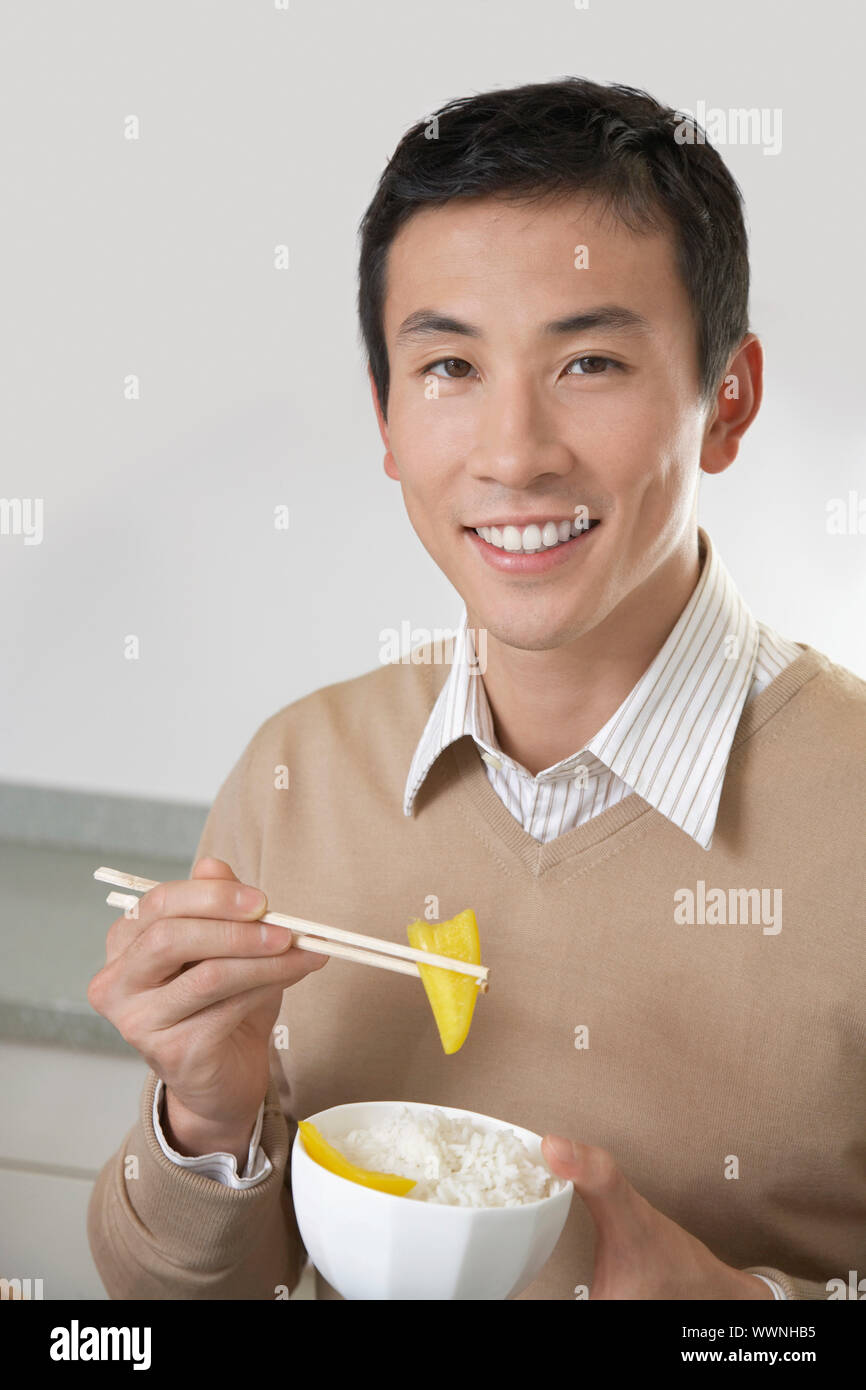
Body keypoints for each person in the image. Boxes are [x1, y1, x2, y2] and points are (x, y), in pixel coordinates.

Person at [86, 76, 865, 1300]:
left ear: (728, 399)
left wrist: (741, 1318)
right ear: (388, 419)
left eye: (590, 359)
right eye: (448, 365)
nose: (511, 454)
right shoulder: (298, 774)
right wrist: (208, 1125)